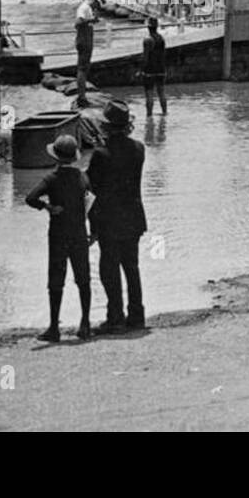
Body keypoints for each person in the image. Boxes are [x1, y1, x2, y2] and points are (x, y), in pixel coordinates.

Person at [86, 100, 148, 333]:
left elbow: (93, 190)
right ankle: (137, 315)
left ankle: (115, 316)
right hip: (133, 216)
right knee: (132, 267)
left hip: (109, 219)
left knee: (109, 268)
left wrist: (92, 226)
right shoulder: (139, 149)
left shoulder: (100, 155)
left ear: (106, 127)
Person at [25, 134, 94, 342]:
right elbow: (91, 203)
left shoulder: (51, 179)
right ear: (75, 157)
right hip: (79, 233)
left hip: (58, 234)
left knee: (56, 281)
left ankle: (54, 327)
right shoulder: (83, 177)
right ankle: (85, 324)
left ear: (56, 157)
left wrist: (47, 207)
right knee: (83, 279)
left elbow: (30, 198)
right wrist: (94, 231)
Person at [74, 0, 101, 107]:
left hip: (86, 38)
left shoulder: (87, 8)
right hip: (84, 39)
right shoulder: (84, 7)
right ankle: (81, 96)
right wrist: (91, 20)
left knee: (85, 67)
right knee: (82, 68)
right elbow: (78, 22)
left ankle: (82, 94)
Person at [140, 16, 168, 117]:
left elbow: (145, 57)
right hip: (161, 69)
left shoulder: (147, 40)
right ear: (157, 27)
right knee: (162, 92)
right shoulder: (161, 38)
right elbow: (164, 54)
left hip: (150, 70)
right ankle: (164, 113)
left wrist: (141, 70)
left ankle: (149, 116)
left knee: (149, 93)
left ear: (148, 27)